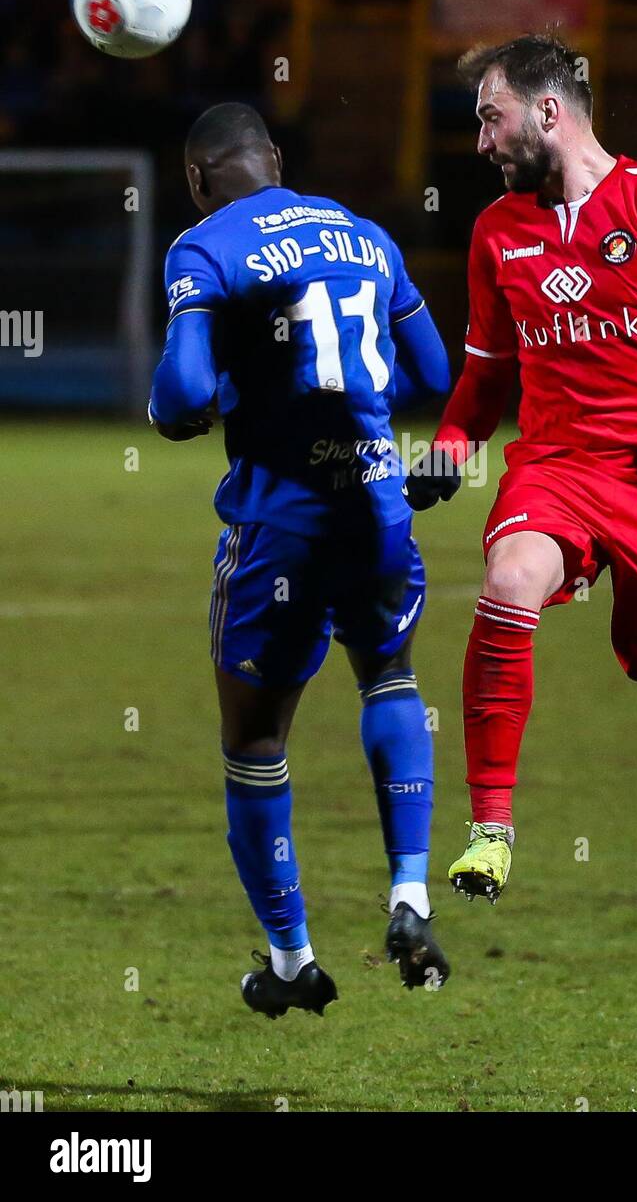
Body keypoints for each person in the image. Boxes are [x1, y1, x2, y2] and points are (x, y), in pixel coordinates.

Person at [405, 35, 637, 905]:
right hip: (556, 470)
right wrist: (451, 451)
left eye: (490, 119)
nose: (482, 142)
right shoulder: (497, 231)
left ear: (547, 111)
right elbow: (488, 373)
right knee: (509, 580)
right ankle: (489, 831)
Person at [150, 102, 451, 1013]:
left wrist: (199, 402)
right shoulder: (365, 234)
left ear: (198, 180)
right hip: (376, 506)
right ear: (276, 158)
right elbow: (435, 376)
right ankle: (409, 893)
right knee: (389, 678)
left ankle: (291, 963)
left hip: (279, 527)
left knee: (254, 741)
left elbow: (183, 395)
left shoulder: (203, 247)